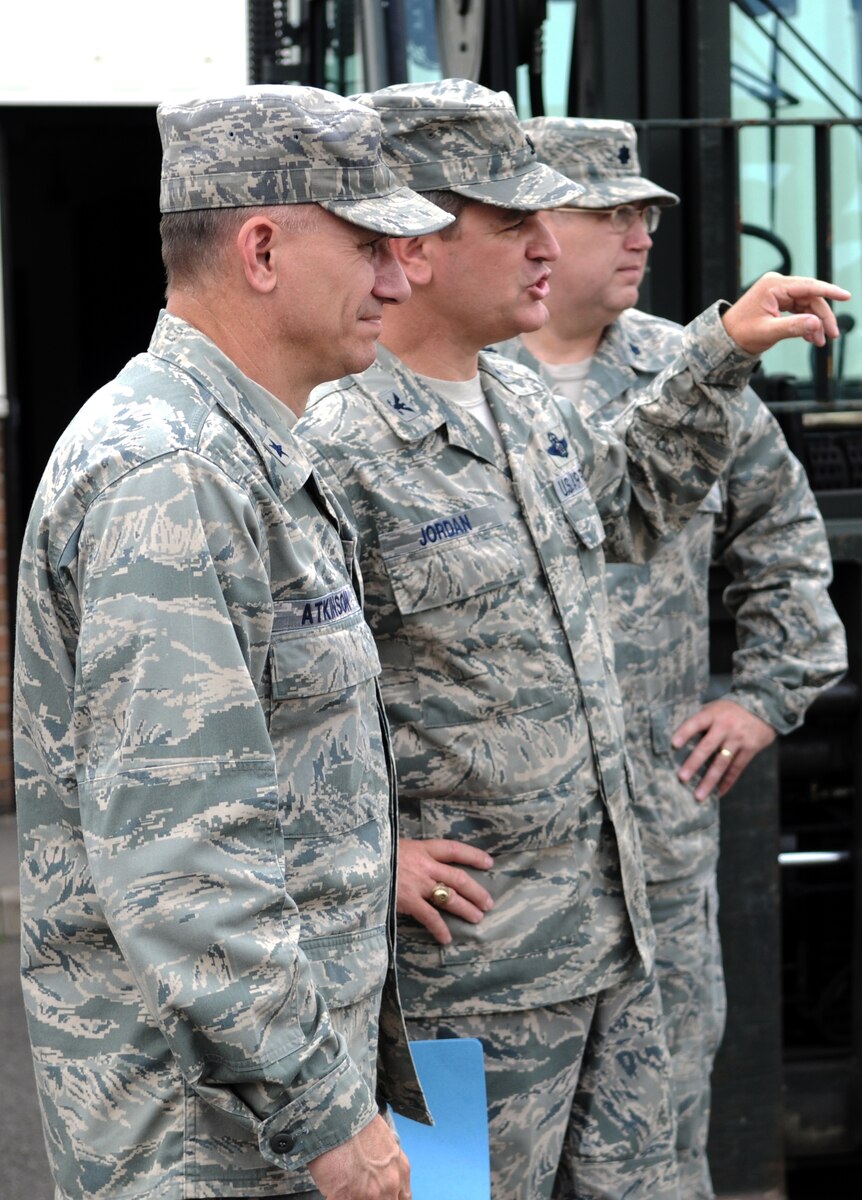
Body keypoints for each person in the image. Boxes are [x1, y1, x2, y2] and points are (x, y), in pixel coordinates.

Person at [295, 78, 848, 1200]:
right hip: (461, 985)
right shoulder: (329, 442)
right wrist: (357, 859)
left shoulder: (519, 403)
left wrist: (721, 350)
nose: (547, 247)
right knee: (456, 1195)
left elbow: (632, 499)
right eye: (514, 222)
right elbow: (251, 709)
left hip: (615, 944)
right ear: (414, 239)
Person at [13, 85, 455, 1200]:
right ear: (262, 248)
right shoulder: (175, 473)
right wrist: (329, 1118)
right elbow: (184, 863)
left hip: (256, 1107)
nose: (399, 281)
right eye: (369, 247)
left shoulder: (245, 452)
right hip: (205, 1138)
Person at [497, 116, 849, 1199]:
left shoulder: (689, 376)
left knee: (652, 1147)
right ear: (530, 228)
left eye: (643, 211)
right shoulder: (445, 385)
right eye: (607, 210)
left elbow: (783, 542)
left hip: (650, 843)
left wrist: (764, 694)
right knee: (465, 1157)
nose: (637, 232)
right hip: (487, 883)